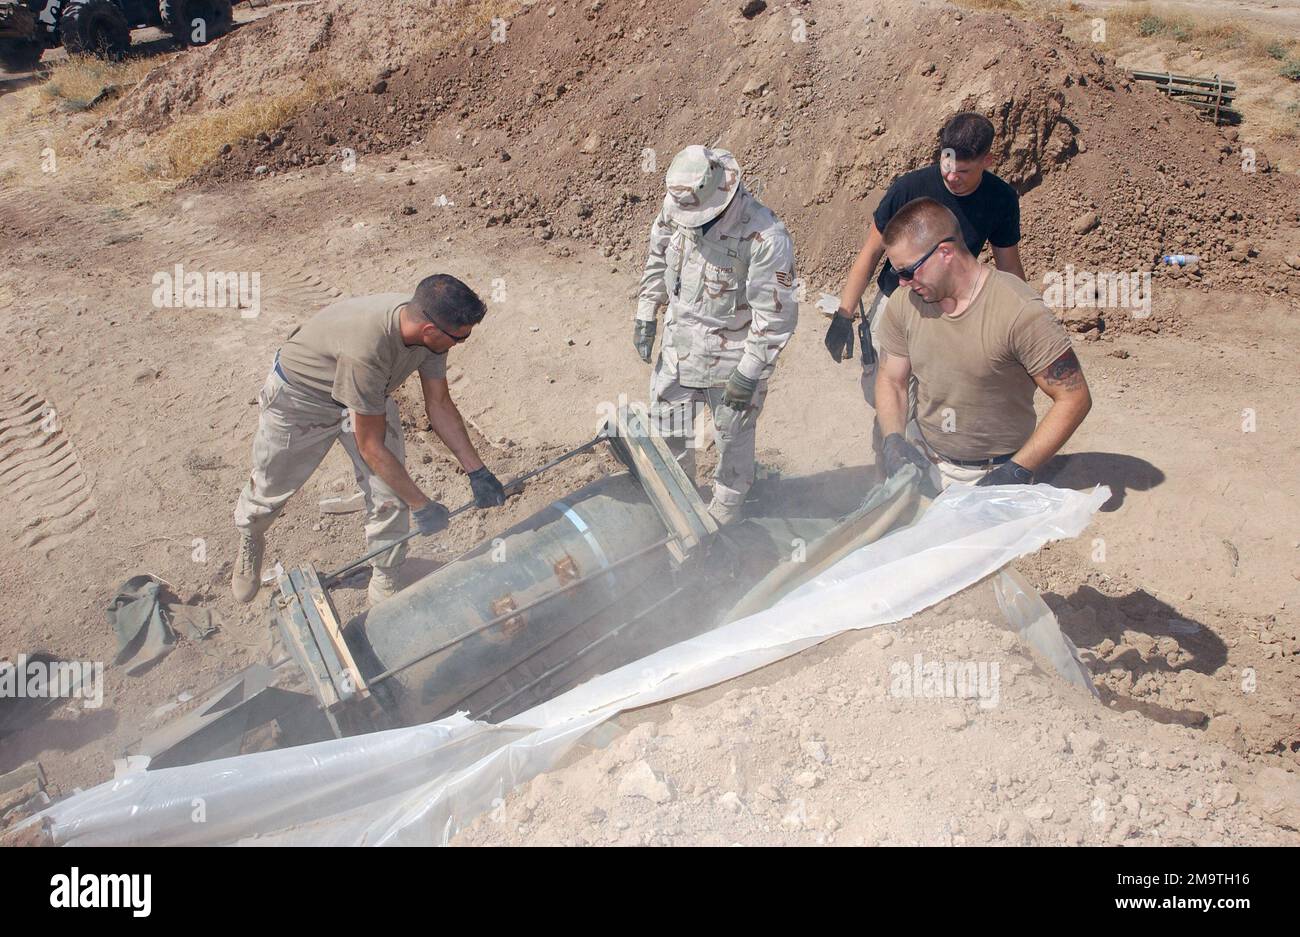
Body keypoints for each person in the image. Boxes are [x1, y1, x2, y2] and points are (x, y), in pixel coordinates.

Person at [232, 274, 508, 605]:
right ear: (430, 331)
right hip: (302, 399)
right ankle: (252, 534)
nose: (460, 344)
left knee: (390, 490)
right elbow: (371, 448)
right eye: (459, 340)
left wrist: (477, 470)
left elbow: (439, 403)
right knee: (271, 484)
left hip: (369, 396)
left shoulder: (433, 328)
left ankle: (387, 574)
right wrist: (422, 505)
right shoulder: (368, 348)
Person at [825, 112, 1026, 453]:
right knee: (887, 392)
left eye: (964, 171)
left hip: (948, 308)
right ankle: (887, 470)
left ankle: (929, 476)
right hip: (899, 301)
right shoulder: (909, 189)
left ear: (987, 161)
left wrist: (1020, 321)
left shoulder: (1000, 199)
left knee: (938, 400)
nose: (952, 176)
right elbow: (871, 253)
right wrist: (844, 315)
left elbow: (1009, 267)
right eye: (947, 164)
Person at [872, 197, 1091, 491]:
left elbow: (1074, 398)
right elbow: (891, 378)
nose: (902, 282)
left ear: (945, 253)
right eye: (897, 273)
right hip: (924, 458)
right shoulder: (905, 303)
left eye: (908, 271)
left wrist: (1016, 471)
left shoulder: (1020, 312)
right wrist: (894, 440)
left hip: (993, 474)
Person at [634, 145, 799, 524]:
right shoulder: (678, 205)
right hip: (679, 349)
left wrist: (751, 369)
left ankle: (724, 520)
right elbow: (658, 256)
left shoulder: (764, 236)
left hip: (732, 360)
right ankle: (678, 505)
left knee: (732, 443)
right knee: (667, 430)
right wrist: (646, 311)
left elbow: (775, 314)